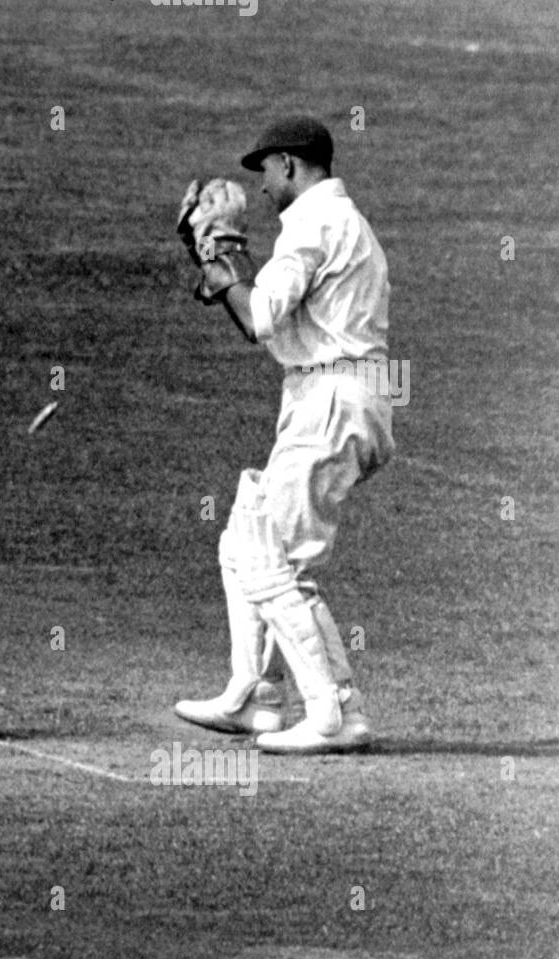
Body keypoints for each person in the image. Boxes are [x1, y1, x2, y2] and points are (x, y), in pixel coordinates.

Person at [174, 117, 395, 754]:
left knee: (279, 566)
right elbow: (254, 315)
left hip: (331, 400)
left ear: (291, 164)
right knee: (243, 541)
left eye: (265, 171)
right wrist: (214, 255)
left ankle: (334, 715)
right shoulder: (334, 220)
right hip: (325, 396)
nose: (262, 187)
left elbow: (262, 318)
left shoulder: (316, 223)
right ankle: (254, 694)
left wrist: (224, 248)